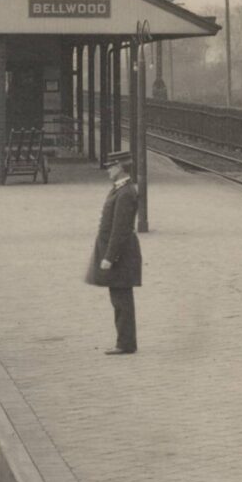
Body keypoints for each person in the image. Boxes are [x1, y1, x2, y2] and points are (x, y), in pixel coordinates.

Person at [86, 149, 142, 354]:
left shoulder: (125, 193)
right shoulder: (120, 189)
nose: (108, 170)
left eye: (111, 166)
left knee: (121, 299)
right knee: (118, 297)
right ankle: (125, 341)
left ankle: (126, 343)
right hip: (121, 253)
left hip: (122, 254)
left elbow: (120, 229)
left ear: (120, 168)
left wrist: (110, 257)